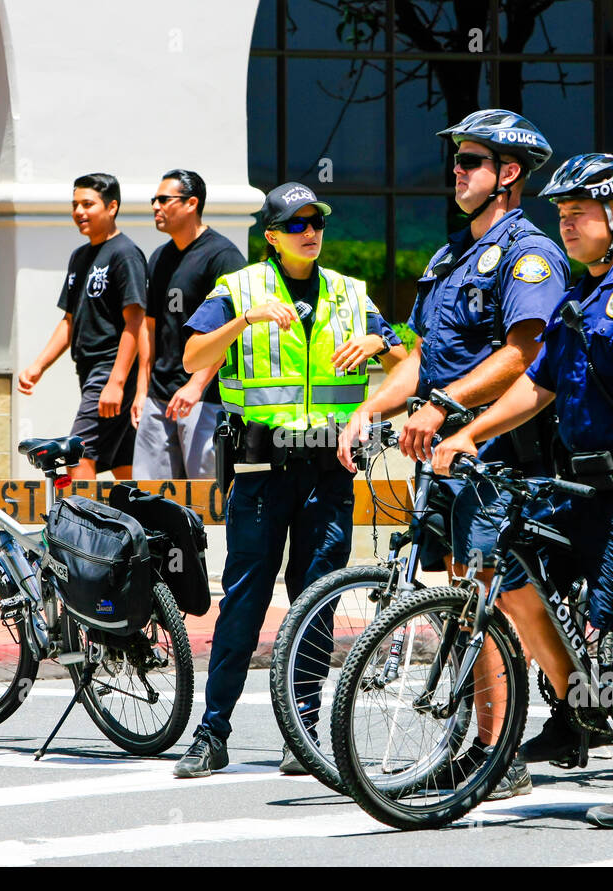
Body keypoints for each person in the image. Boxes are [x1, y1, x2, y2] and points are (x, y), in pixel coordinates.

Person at [434, 153, 613, 828]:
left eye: (579, 215)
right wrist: (472, 433)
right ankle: (578, 711)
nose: (566, 227)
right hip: (586, 480)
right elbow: (539, 384)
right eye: (560, 215)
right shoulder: (579, 297)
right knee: (513, 569)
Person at [337, 108, 570, 799]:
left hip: (500, 450)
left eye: (471, 162)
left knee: (482, 597)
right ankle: (526, 723)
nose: (457, 172)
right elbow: (422, 357)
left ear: (508, 175)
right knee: (467, 599)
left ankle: (501, 753)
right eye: (457, 161)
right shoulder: (450, 255)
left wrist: (444, 408)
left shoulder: (530, 253)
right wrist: (369, 409)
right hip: (444, 457)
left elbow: (524, 352)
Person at [173, 181, 405, 777]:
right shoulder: (240, 288)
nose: (310, 232)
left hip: (329, 473)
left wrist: (381, 342)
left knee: (316, 601)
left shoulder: (352, 295)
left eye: (315, 221)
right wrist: (245, 321)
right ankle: (212, 733)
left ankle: (300, 732)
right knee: (245, 602)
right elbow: (193, 357)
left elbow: (409, 363)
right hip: (260, 473)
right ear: (272, 237)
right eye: (296, 224)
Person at [19, 173, 146, 479]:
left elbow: (135, 322)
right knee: (122, 464)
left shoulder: (124, 254)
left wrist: (116, 382)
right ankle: (144, 527)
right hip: (89, 370)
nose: (79, 211)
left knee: (78, 457)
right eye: (75, 204)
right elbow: (69, 321)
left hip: (110, 370)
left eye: (88, 204)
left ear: (112, 207)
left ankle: (85, 528)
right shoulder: (80, 257)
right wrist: (38, 366)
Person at [131, 170, 247, 479]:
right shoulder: (159, 257)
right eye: (153, 200)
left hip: (206, 400)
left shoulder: (223, 257)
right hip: (158, 398)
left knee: (207, 500)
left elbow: (235, 330)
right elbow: (149, 326)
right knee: (150, 499)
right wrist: (142, 389)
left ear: (191, 203)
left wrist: (196, 385)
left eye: (164, 199)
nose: (156, 206)